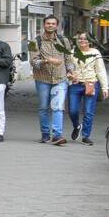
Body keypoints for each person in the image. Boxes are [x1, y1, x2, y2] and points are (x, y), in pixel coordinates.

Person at [33, 15, 73, 145]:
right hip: (42, 79)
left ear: (56, 26)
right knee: (44, 108)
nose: (50, 25)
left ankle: (57, 136)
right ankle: (45, 134)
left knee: (58, 107)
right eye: (48, 23)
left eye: (53, 23)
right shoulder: (35, 41)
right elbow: (33, 62)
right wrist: (47, 60)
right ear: (44, 25)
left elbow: (68, 58)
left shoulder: (64, 40)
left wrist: (71, 71)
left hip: (60, 78)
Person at [66, 33, 109, 146]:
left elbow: (100, 71)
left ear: (90, 41)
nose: (82, 41)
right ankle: (77, 126)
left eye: (85, 39)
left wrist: (105, 87)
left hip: (91, 84)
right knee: (72, 110)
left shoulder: (95, 53)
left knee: (89, 111)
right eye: (80, 39)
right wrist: (69, 75)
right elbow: (68, 69)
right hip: (75, 85)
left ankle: (86, 136)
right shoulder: (72, 53)